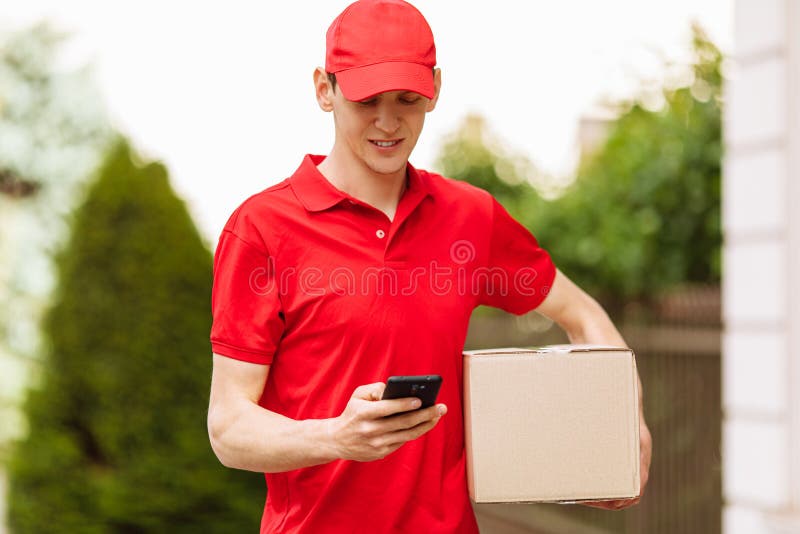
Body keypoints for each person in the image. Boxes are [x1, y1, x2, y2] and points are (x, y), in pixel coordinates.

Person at [207, 0, 652, 532]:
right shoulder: (262, 228)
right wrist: (337, 437)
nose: (389, 121)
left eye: (407, 98)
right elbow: (229, 428)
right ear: (324, 89)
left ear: (435, 88)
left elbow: (582, 314)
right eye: (367, 99)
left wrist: (626, 425)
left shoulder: (470, 217)